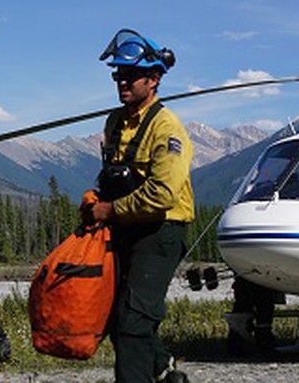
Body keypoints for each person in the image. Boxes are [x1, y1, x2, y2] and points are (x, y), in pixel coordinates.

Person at [81, 29, 194, 383]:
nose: (122, 82)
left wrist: (110, 210)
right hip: (126, 228)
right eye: (119, 75)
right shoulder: (115, 121)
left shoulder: (167, 127)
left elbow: (162, 195)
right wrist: (95, 197)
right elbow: (114, 176)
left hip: (161, 232)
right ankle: (163, 371)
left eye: (130, 75)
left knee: (133, 322)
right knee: (118, 317)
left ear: (155, 78)